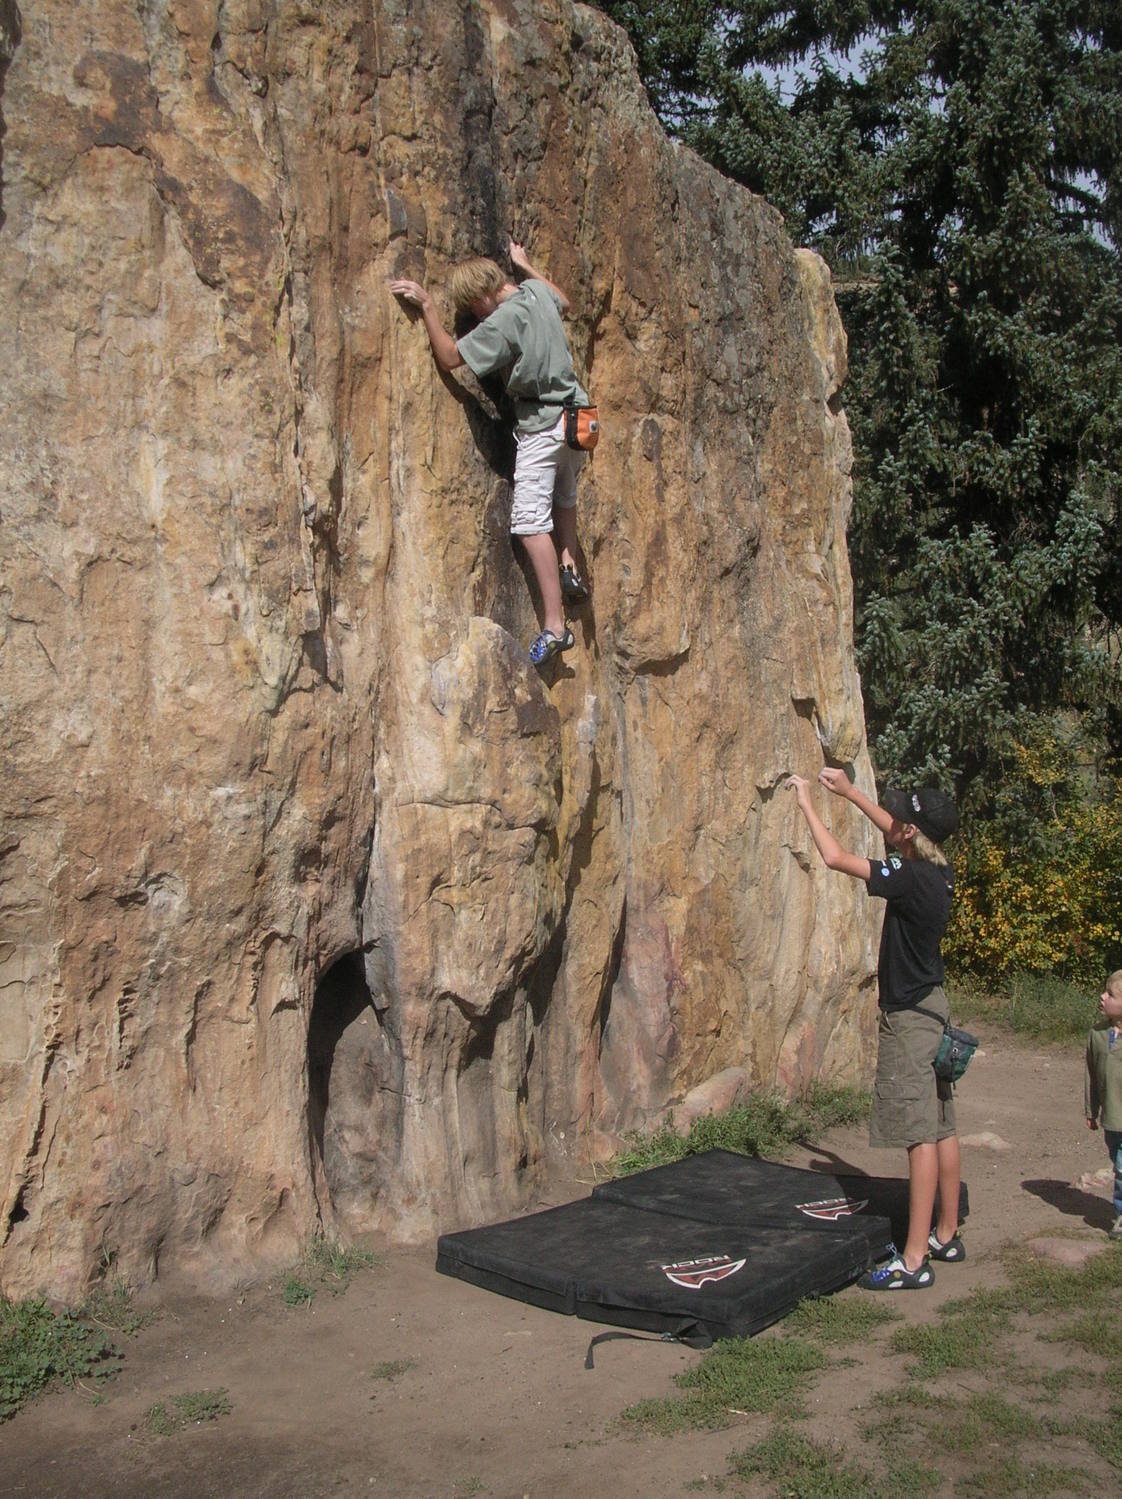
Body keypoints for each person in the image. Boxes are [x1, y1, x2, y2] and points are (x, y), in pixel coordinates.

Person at [786, 767, 963, 1289]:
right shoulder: (938, 866)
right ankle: (945, 1234)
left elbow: (836, 858)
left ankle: (912, 1261)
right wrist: (851, 792)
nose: (893, 820)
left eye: (901, 818)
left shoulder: (906, 878)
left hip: (910, 1019)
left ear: (910, 833)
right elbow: (896, 826)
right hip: (935, 1007)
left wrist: (807, 806)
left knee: (918, 1135)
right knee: (943, 1124)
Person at [389, 239, 592, 666]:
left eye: (473, 309)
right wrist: (524, 263)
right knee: (565, 492)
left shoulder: (503, 322)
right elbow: (565, 301)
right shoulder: (533, 292)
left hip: (541, 427)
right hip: (579, 421)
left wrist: (428, 306)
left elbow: (448, 357)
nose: (477, 317)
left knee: (528, 523)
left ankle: (556, 627)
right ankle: (570, 560)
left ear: (482, 296)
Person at [1084, 968, 1122, 1240]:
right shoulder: (1098, 1034)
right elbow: (1091, 1074)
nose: (1103, 996)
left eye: (1110, 994)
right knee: (1117, 1160)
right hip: (1112, 1115)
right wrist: (1091, 1109)